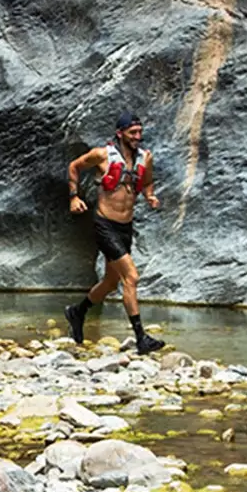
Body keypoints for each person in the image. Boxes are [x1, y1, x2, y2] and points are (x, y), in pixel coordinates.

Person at [64, 111, 167, 352]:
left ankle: (77, 312)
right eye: (133, 133)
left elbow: (148, 181)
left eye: (140, 132)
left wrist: (150, 195)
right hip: (104, 225)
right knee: (131, 277)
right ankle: (141, 338)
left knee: (111, 281)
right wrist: (73, 197)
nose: (138, 137)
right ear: (120, 133)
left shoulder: (145, 157)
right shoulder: (102, 155)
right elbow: (74, 166)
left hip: (125, 227)